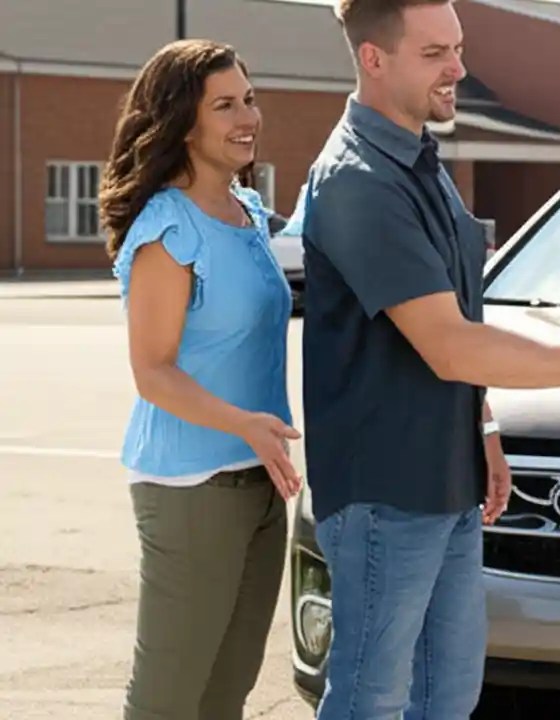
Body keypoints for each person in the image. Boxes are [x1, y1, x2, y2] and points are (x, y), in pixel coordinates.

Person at [299, 1, 560, 718]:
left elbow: (456, 323)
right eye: (434, 54)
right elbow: (450, 344)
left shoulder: (420, 159)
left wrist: (481, 427)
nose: (458, 68)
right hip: (386, 492)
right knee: (372, 697)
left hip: (444, 481)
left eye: (458, 47)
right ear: (374, 59)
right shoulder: (360, 180)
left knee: (447, 696)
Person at [99, 39, 302, 719]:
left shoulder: (246, 213)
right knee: (168, 702)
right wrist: (244, 423)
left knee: (225, 697)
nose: (247, 116)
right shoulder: (167, 227)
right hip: (191, 487)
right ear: (183, 121)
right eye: (225, 105)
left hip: (261, 479)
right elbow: (152, 371)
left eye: (249, 98)